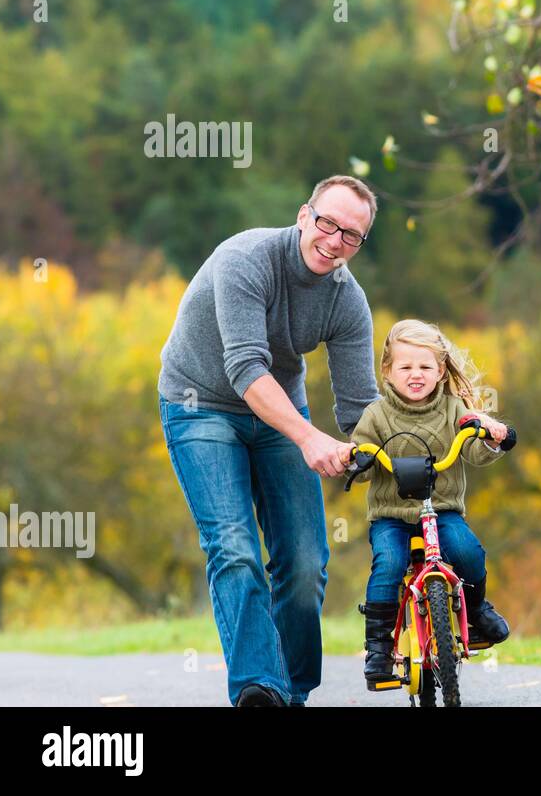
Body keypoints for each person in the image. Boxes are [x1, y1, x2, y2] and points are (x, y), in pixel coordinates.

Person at [158, 175, 380, 706]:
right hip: (201, 406)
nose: (334, 241)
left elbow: (359, 409)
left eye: (351, 235)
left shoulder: (347, 301)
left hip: (281, 412)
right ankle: (260, 689)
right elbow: (245, 367)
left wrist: (413, 439)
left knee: (305, 566)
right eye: (327, 224)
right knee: (234, 549)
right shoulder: (246, 258)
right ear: (305, 215)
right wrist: (308, 438)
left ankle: (291, 693)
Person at [350, 319, 512, 690]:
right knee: (388, 565)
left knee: (467, 551)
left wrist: (491, 438)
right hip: (391, 515)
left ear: (441, 371)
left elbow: (473, 447)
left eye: (425, 367)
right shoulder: (375, 415)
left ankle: (474, 609)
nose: (416, 375)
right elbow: (359, 454)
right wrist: (357, 458)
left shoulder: (454, 409)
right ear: (388, 372)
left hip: (443, 511)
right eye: (405, 367)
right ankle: (377, 647)